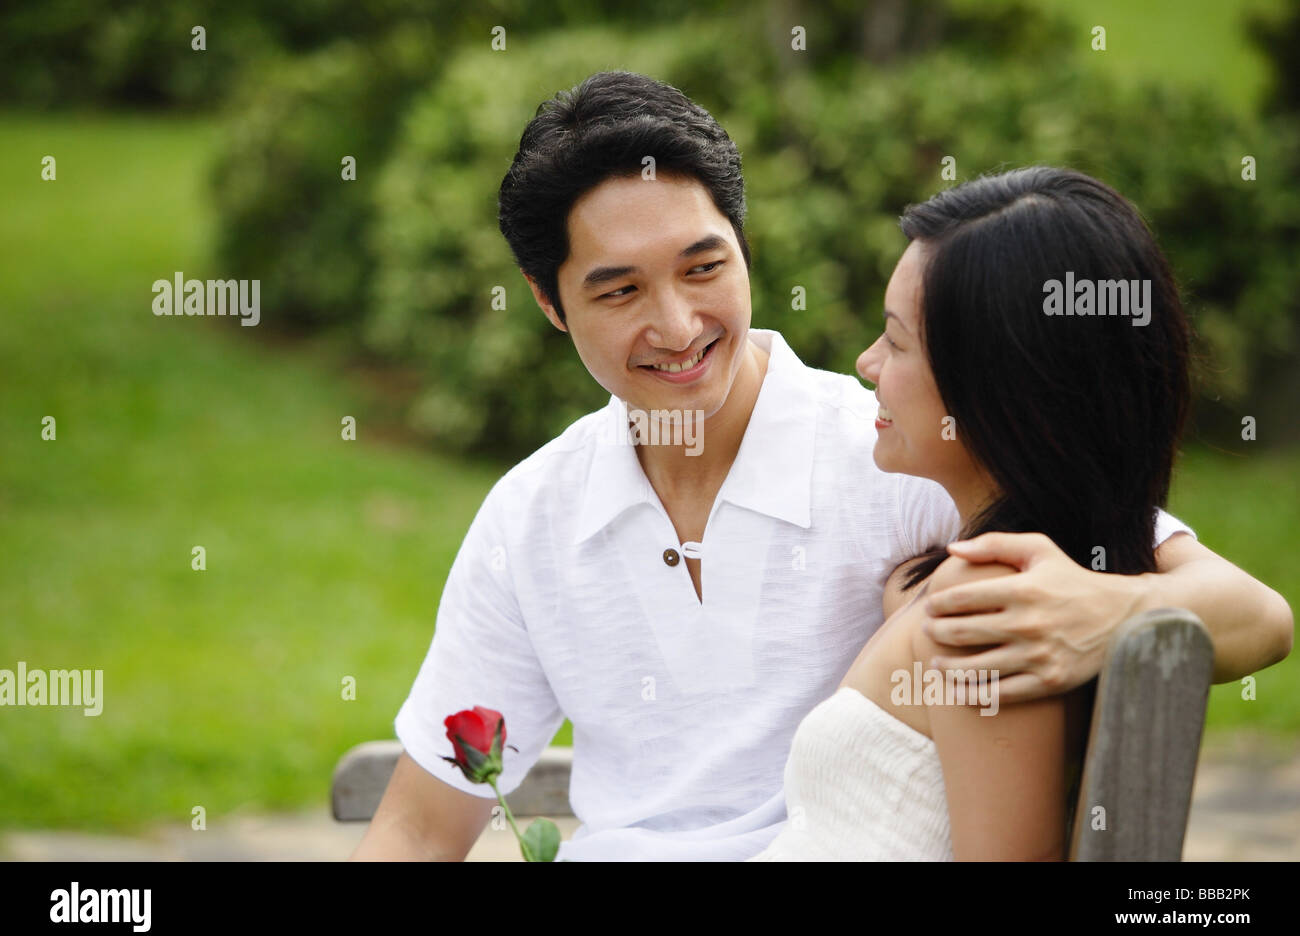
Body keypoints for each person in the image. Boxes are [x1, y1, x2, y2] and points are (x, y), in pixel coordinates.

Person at [349, 72, 1293, 862]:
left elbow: (1250, 613)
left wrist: (1107, 610)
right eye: (621, 289)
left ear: (744, 245)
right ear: (549, 304)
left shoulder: (905, 456)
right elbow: (420, 828)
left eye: (703, 267)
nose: (679, 327)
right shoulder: (533, 516)